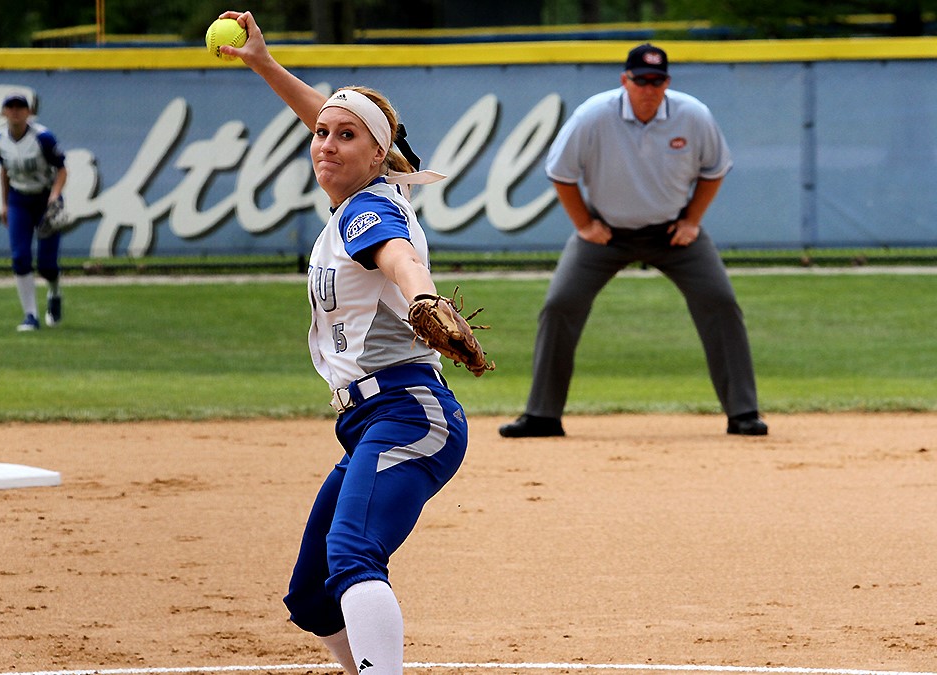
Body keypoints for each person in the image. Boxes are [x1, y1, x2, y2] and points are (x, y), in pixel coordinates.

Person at [218, 10, 469, 675]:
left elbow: (397, 256)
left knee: (354, 556)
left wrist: (423, 298)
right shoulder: (363, 187)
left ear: (377, 154)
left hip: (409, 414)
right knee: (312, 595)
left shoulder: (367, 209)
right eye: (320, 134)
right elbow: (340, 127)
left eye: (344, 137)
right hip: (367, 422)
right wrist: (265, 65)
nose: (325, 144)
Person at [500, 43, 768, 438]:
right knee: (560, 305)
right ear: (625, 80)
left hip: (672, 232)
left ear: (667, 83)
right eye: (641, 81)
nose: (649, 89)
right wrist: (585, 224)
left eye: (657, 81)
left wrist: (692, 220)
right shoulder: (594, 115)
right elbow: (561, 172)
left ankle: (743, 412)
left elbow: (714, 170)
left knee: (720, 302)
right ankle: (542, 415)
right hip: (606, 233)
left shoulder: (693, 115)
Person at [0, 92, 67, 332]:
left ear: (29, 112)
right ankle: (30, 315)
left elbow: (62, 169)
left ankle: (54, 293)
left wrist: (55, 195)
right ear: (4, 112)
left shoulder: (43, 138)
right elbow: (4, 171)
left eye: (20, 107)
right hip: (19, 200)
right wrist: (5, 203)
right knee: (20, 257)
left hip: (45, 199)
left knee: (46, 265)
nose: (15, 111)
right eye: (11, 107)